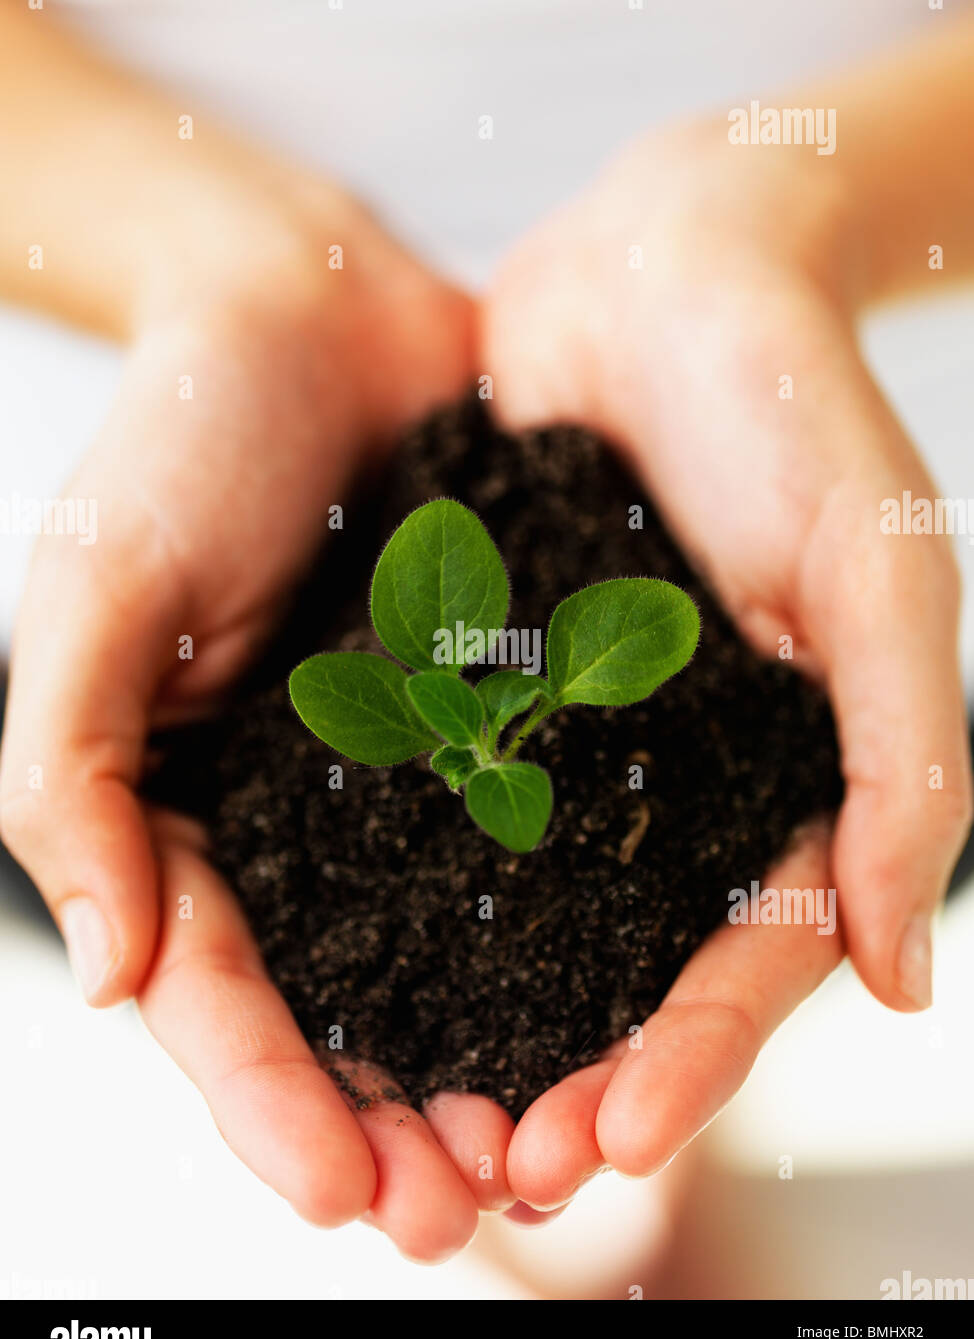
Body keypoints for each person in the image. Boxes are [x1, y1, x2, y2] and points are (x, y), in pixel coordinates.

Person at [0, 1, 971, 1264]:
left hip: (811, 446)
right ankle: (546, 1218)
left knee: (791, 868)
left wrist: (801, 203)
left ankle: (662, 1168)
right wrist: (205, 252)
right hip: (127, 414)